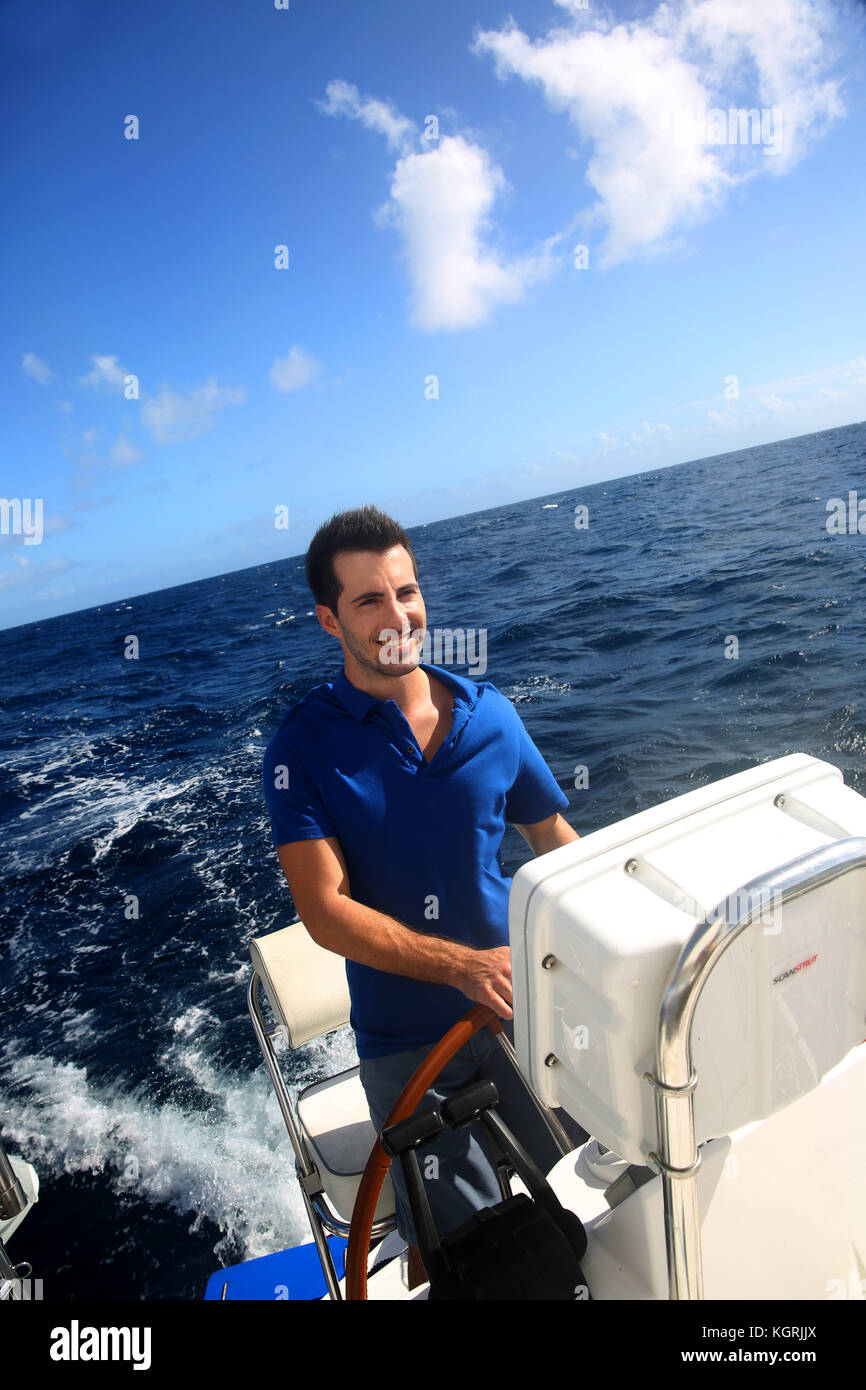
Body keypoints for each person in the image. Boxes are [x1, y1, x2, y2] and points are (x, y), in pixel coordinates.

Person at [263, 504, 581, 1285]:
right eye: (369, 600)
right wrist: (461, 967)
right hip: (409, 1048)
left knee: (600, 1194)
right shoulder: (302, 749)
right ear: (329, 620)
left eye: (406, 592)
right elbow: (324, 912)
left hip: (523, 1008)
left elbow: (555, 840)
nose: (397, 616)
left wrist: (613, 942)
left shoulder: (490, 714)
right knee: (470, 1261)